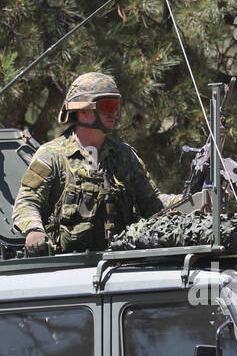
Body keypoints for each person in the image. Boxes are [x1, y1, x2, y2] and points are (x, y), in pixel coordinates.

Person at [12, 72, 182, 254]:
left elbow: (153, 204)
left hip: (120, 263)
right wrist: (34, 230)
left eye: (117, 106)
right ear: (83, 110)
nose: (115, 113)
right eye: (108, 106)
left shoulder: (124, 155)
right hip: (66, 266)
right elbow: (27, 201)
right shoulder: (52, 155)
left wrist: (192, 200)